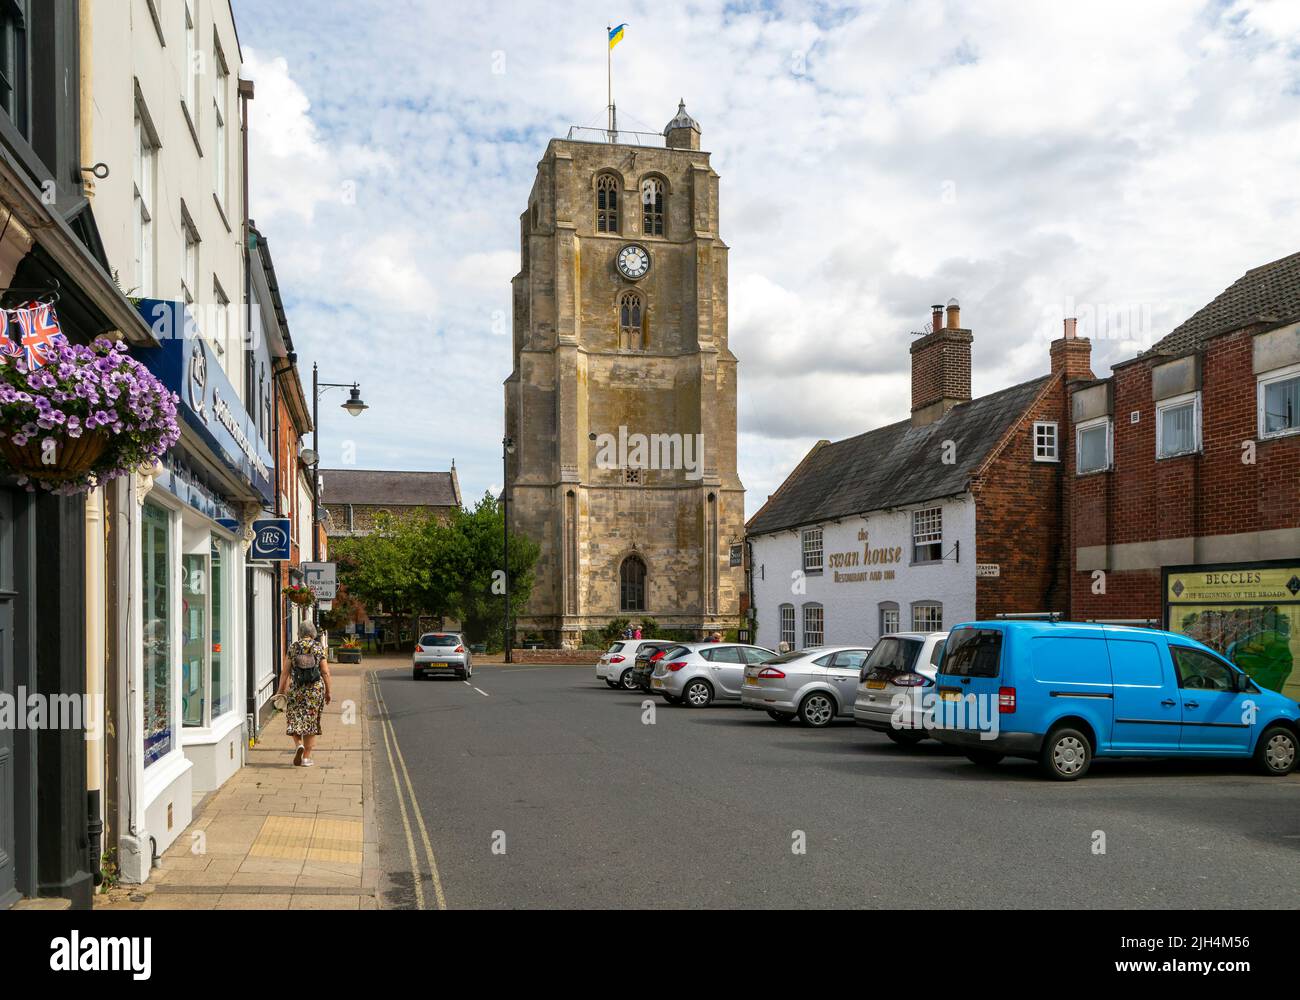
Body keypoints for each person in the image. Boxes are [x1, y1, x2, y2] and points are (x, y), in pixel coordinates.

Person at [277, 620, 330, 767]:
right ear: (313, 633)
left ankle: (298, 744)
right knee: (311, 722)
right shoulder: (318, 647)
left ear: (299, 633)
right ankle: (306, 758)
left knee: (294, 718)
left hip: (297, 689)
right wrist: (328, 692)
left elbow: (285, 672)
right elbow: (325, 672)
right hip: (314, 690)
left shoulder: (293, 647)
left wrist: (280, 691)